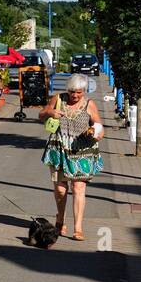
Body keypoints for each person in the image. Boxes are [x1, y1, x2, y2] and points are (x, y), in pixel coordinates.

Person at [39, 74, 103, 242]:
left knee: (78, 188)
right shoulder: (58, 99)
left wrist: (96, 133)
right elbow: (41, 114)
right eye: (72, 92)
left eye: (79, 92)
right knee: (61, 190)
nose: (75, 95)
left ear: (84, 91)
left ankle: (78, 228)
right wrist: (50, 112)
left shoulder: (89, 104)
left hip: (82, 152)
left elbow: (99, 126)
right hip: (59, 149)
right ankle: (60, 219)